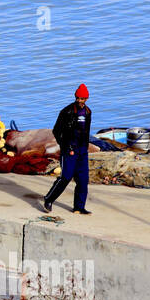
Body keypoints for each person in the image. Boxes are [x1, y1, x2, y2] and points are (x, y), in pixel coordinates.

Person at [43, 83, 92, 215]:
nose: (79, 101)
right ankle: (49, 199)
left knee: (83, 179)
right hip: (69, 149)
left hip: (82, 150)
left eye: (82, 99)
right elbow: (56, 131)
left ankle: (79, 207)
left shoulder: (88, 112)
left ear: (86, 99)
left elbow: (86, 131)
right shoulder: (67, 111)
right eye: (77, 98)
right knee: (66, 176)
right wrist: (65, 146)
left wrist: (85, 148)